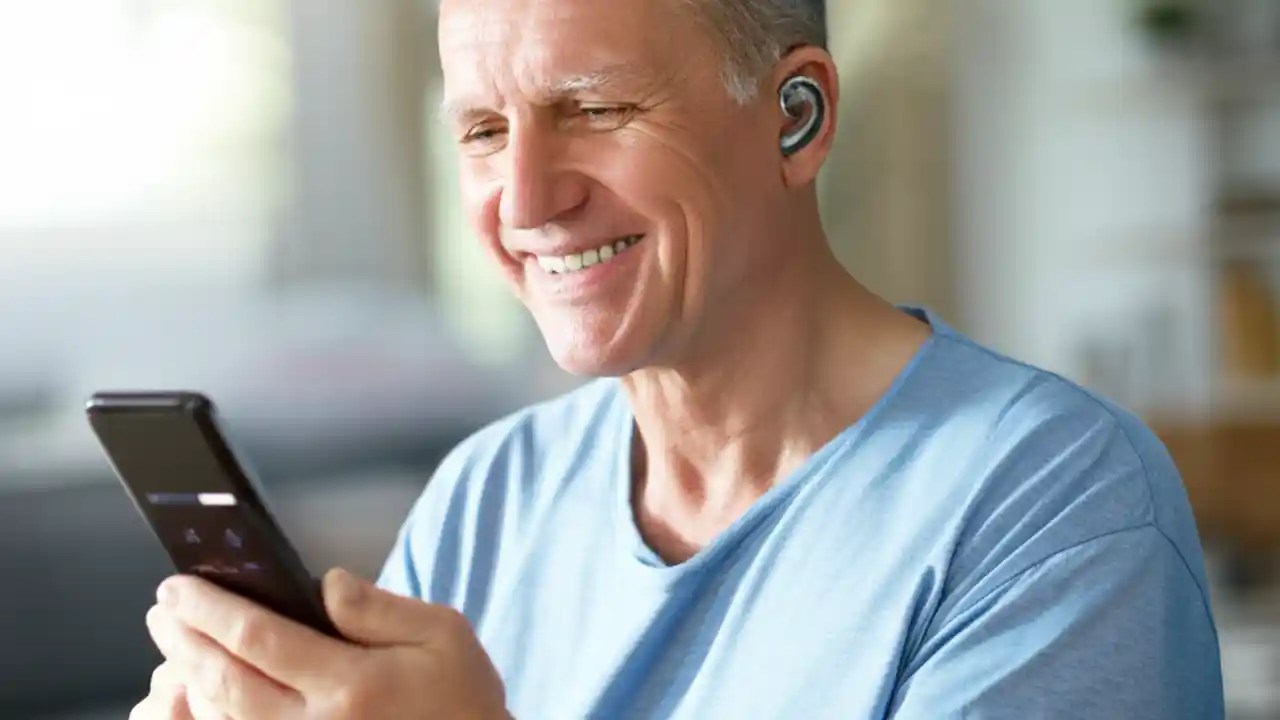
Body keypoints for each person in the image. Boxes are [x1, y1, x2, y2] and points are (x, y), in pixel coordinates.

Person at [131, 0, 1225, 717]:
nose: (523, 200)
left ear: (796, 118)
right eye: (477, 131)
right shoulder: (488, 498)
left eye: (595, 109)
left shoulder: (1053, 505)